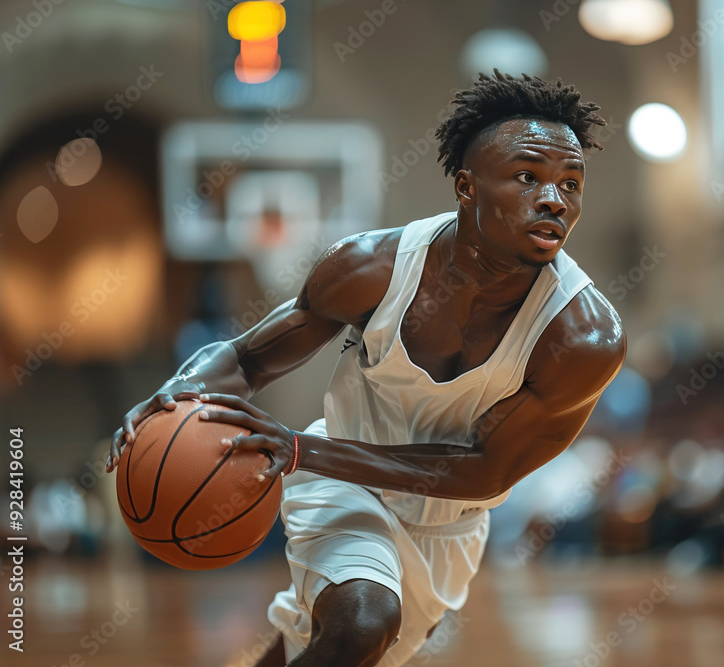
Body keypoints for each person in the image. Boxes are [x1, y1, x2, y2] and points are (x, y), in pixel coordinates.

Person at [106, 71, 626, 666]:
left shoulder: (583, 338)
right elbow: (246, 357)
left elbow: (484, 471)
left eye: (570, 182)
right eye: (528, 177)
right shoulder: (371, 269)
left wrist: (303, 450)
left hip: (449, 522)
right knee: (362, 624)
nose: (554, 199)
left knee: (324, 645)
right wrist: (175, 395)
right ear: (466, 186)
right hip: (339, 477)